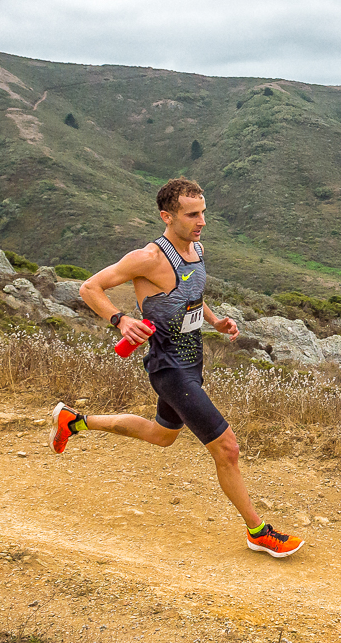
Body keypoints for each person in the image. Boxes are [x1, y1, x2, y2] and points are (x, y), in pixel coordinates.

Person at [49, 177, 303, 558]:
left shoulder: (197, 249)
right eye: (192, 214)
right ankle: (257, 531)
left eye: (203, 212)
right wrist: (120, 320)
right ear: (167, 216)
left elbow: (191, 296)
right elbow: (89, 288)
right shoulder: (148, 258)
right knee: (227, 447)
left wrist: (214, 321)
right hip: (170, 368)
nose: (201, 221)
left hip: (192, 360)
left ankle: (74, 421)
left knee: (162, 434)